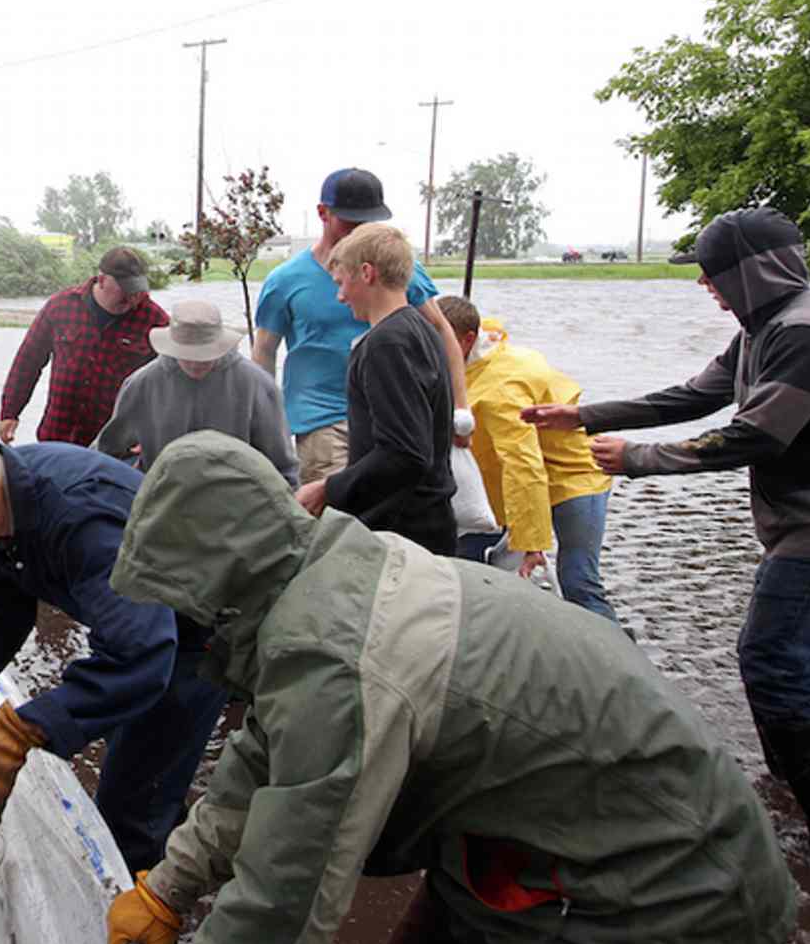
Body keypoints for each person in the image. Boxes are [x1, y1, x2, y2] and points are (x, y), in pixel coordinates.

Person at [93, 433, 797, 944]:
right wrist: (169, 887)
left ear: (224, 574)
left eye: (187, 599)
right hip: (528, 839)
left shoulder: (337, 660)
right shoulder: (328, 573)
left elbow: (285, 904)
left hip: (661, 884)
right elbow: (261, 756)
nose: (187, 624)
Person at [527, 207, 810, 862]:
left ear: (752, 271)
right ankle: (796, 789)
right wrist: (583, 416)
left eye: (713, 275)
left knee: (775, 661)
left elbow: (757, 434)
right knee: (781, 662)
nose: (707, 288)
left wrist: (643, 459)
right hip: (806, 522)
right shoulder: (764, 328)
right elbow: (695, 395)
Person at [0, 427, 229, 874]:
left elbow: (141, 653)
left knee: (129, 805)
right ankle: (167, 813)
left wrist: (21, 730)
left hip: (199, 634)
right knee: (133, 757)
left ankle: (148, 907)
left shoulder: (81, 518)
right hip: (146, 624)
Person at [252, 168, 467, 483]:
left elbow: (441, 330)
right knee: (335, 516)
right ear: (323, 213)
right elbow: (264, 353)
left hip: (391, 413)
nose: (358, 230)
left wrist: (460, 409)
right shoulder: (285, 281)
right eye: (349, 220)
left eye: (367, 221)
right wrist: (267, 424)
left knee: (388, 515)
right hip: (322, 418)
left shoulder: (400, 268)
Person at [436, 295, 617, 621]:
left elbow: (524, 467)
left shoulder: (501, 388)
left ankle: (617, 656)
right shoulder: (477, 354)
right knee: (468, 566)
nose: (432, 353)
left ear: (467, 340)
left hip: (574, 479)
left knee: (578, 580)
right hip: (507, 486)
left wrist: (532, 544)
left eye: (440, 343)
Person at [295, 223, 456, 555]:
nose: (340, 297)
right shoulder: (422, 329)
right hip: (429, 523)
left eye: (341, 283)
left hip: (403, 534)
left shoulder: (387, 344)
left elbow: (406, 453)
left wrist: (328, 488)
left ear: (366, 273)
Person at [93, 298, 297, 484]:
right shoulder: (142, 384)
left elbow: (283, 467)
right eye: (187, 354)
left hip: (238, 506)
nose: (195, 363)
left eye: (204, 355)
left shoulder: (257, 384)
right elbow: (107, 452)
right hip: (162, 503)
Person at [0, 246, 170, 446]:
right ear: (102, 279)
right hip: (59, 434)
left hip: (116, 443)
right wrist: (10, 411)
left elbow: (168, 380)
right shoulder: (61, 306)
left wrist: (152, 432)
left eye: (137, 289)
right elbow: (28, 361)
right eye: (125, 289)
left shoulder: (154, 320)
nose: (132, 297)